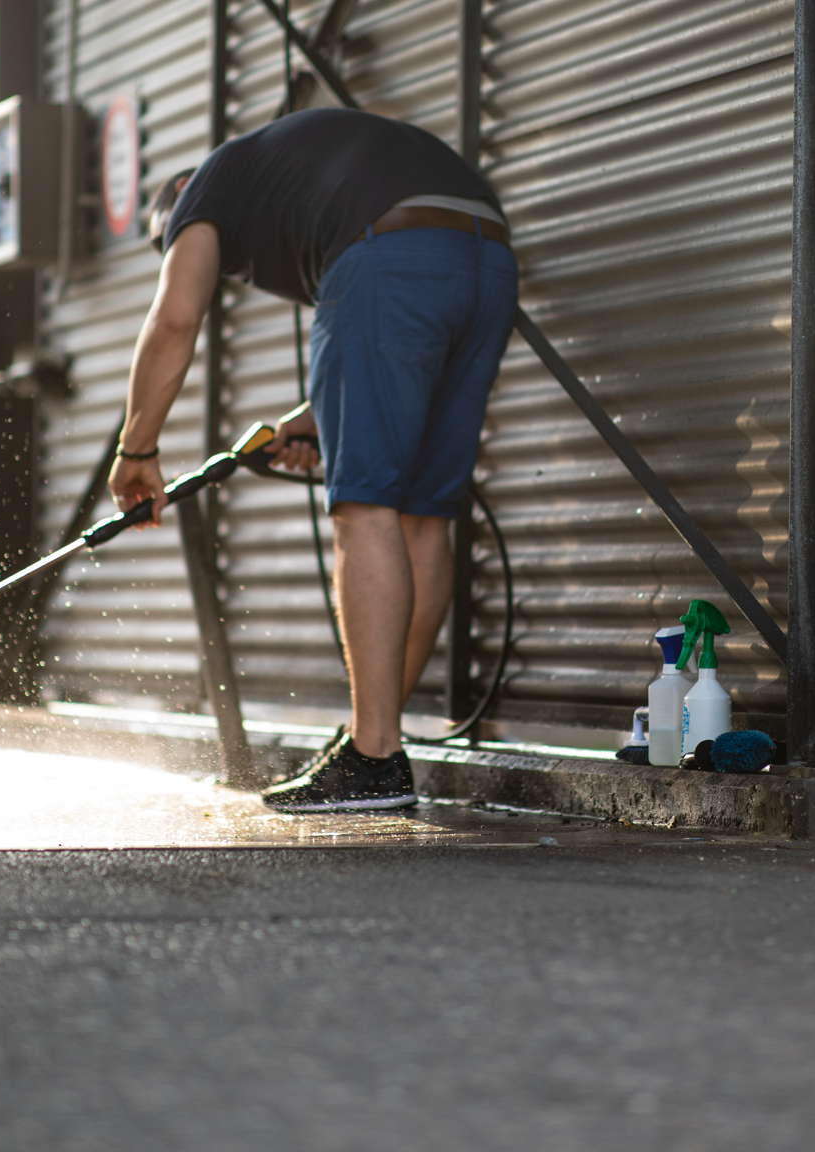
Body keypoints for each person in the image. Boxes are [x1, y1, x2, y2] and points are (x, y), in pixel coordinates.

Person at [107, 107, 518, 813]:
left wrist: (135, 448)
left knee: (365, 507)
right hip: (488, 259)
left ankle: (375, 756)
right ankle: (373, 734)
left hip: (391, 252)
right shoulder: (289, 172)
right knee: (423, 515)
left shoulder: (203, 190)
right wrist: (313, 416)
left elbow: (174, 317)